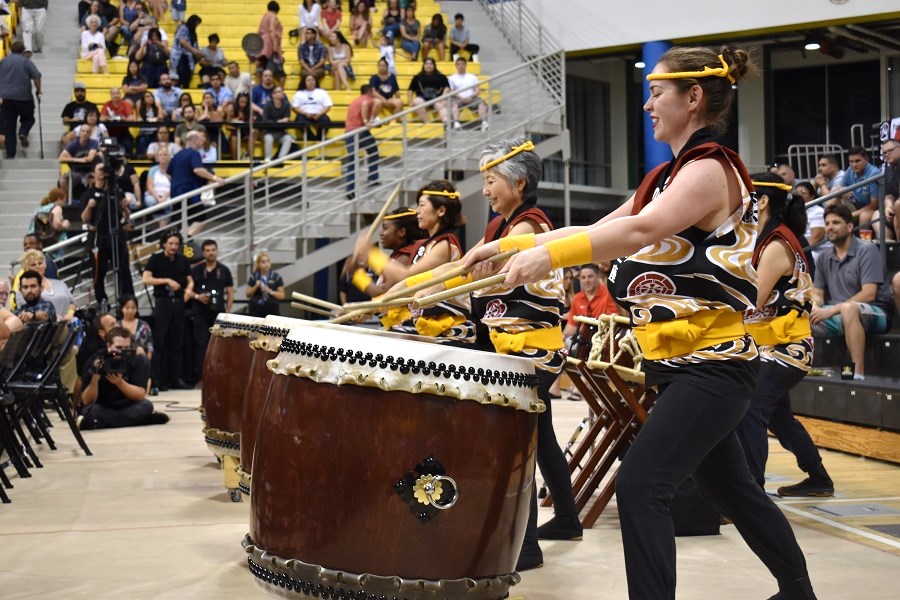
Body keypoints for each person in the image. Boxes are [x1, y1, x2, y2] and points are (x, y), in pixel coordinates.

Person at [463, 47, 817, 599]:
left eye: (657, 92)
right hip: (681, 367)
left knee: (641, 484)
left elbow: (637, 232)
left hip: (714, 367)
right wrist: (497, 249)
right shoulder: (666, 176)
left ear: (694, 97)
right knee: (735, 492)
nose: (647, 104)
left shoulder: (708, 170)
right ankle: (799, 591)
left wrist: (544, 259)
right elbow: (600, 225)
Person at [736, 172, 834, 498]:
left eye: (747, 195)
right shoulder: (767, 237)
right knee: (779, 418)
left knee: (750, 410)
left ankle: (750, 495)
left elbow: (752, 299)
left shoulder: (777, 244)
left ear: (762, 201)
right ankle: (819, 478)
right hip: (771, 344)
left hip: (787, 347)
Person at [359, 180, 476, 345]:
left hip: (450, 330)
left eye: (421, 205)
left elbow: (407, 278)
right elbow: (405, 285)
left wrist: (371, 254)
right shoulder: (429, 245)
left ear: (441, 210)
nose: (417, 211)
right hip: (430, 326)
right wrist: (371, 307)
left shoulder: (444, 245)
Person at [811, 205, 892, 380]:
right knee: (799, 314)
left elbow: (869, 294)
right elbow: (817, 294)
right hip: (840, 313)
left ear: (849, 227)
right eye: (827, 223)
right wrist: (813, 306)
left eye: (835, 223)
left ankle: (857, 374)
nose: (829, 227)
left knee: (848, 309)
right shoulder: (824, 256)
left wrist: (832, 310)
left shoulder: (866, 250)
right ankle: (803, 368)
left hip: (876, 312)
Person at [78, 326, 169, 430]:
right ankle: (142, 420)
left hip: (128, 404)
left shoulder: (138, 360)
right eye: (118, 348)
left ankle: (98, 422)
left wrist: (120, 383)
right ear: (108, 346)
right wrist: (95, 376)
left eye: (127, 348)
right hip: (103, 405)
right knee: (91, 410)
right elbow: (87, 401)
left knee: (146, 406)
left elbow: (139, 395)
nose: (122, 352)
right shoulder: (97, 359)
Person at [142, 231, 193, 391]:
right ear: (164, 243)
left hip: (178, 303)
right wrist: (167, 281)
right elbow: (145, 279)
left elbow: (190, 280)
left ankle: (176, 378)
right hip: (162, 303)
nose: (173, 246)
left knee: (178, 342)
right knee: (160, 342)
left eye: (176, 244)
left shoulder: (182, 260)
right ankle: (158, 379)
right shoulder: (156, 259)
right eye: (170, 243)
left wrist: (188, 291)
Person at [80, 161, 136, 306]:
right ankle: (102, 301)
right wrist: (89, 206)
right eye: (99, 169)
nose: (102, 172)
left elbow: (126, 216)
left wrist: (125, 208)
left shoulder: (116, 192)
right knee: (98, 273)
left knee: (124, 269)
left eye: (104, 170)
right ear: (93, 173)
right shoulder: (89, 193)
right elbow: (85, 219)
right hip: (98, 238)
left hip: (117, 236)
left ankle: (127, 301)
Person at [188, 239, 233, 381]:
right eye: (207, 250)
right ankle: (200, 376)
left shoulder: (224, 270)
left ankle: (217, 375)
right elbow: (187, 291)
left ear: (217, 251)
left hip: (218, 313)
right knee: (200, 344)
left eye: (213, 250)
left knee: (218, 345)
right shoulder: (196, 270)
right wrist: (197, 296)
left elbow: (230, 292)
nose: (211, 253)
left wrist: (227, 312)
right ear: (203, 253)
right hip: (199, 311)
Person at [169, 130, 225, 236]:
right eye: (200, 139)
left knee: (182, 223)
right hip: (189, 193)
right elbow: (198, 170)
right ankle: (186, 238)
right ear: (194, 140)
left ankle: (184, 240)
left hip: (175, 194)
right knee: (201, 218)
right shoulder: (194, 154)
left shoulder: (177, 155)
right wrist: (215, 177)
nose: (202, 142)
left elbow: (169, 174)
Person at [0, 41, 42, 159]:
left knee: (9, 127)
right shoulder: (26, 62)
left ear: (11, 50)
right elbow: (37, 76)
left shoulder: (2, 61)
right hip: (24, 98)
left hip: (6, 99)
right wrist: (38, 90)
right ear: (23, 51)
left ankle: (10, 154)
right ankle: (23, 132)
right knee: (28, 118)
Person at [828, 146, 880, 231]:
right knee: (836, 196)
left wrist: (851, 214)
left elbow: (873, 205)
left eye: (857, 161)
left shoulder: (874, 174)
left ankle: (864, 243)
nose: (854, 165)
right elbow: (840, 188)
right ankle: (829, 218)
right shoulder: (850, 170)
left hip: (876, 209)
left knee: (864, 216)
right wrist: (842, 190)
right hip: (857, 206)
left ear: (866, 159)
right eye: (851, 162)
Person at [343, 85, 379, 199]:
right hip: (360, 131)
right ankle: (373, 177)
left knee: (352, 161)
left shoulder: (354, 101)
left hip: (349, 132)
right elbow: (366, 105)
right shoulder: (367, 99)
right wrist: (366, 121)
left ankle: (350, 189)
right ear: (370, 91)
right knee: (373, 151)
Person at [57, 125, 100, 200]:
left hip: (90, 171)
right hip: (76, 172)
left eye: (87, 132)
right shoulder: (74, 143)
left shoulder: (93, 143)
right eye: (83, 131)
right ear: (79, 133)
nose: (85, 133)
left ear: (90, 134)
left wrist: (70, 158)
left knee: (95, 181)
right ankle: (66, 203)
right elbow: (61, 158)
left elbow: (90, 158)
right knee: (63, 180)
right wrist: (77, 160)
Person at [448, 56, 488, 131]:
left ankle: (484, 122)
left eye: (463, 64)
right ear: (456, 66)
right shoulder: (452, 78)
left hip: (471, 98)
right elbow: (451, 91)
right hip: (458, 98)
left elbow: (477, 90)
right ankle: (456, 123)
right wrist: (461, 98)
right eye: (459, 64)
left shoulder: (472, 77)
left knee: (481, 103)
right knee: (453, 104)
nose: (461, 66)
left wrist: (471, 97)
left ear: (465, 65)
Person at [291, 74, 332, 141]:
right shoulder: (299, 93)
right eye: (308, 80)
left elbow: (327, 106)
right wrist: (305, 113)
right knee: (299, 120)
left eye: (313, 80)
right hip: (304, 115)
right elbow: (295, 107)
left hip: (319, 114)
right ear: (304, 82)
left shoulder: (322, 92)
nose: (311, 82)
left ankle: (319, 138)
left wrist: (319, 114)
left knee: (326, 120)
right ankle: (311, 138)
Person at [408, 57, 449, 124]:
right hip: (423, 99)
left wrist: (443, 98)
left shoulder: (441, 76)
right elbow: (410, 90)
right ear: (423, 65)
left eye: (431, 64)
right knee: (416, 101)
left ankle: (446, 124)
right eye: (426, 64)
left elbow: (447, 88)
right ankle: (427, 122)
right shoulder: (417, 77)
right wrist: (409, 102)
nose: (428, 65)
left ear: (434, 65)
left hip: (437, 99)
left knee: (442, 106)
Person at [246, 251, 285, 317]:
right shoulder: (254, 276)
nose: (266, 264)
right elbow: (248, 294)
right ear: (258, 264)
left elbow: (282, 296)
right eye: (263, 262)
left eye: (268, 261)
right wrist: (256, 286)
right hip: (256, 310)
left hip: (272, 310)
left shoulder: (276, 276)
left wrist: (270, 291)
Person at [261, 85, 294, 160]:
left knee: (288, 138)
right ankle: (267, 159)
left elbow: (286, 120)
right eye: (279, 91)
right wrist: (279, 121)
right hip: (269, 131)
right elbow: (265, 121)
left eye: (282, 91)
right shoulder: (267, 105)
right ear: (273, 95)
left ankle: (281, 159)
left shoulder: (286, 105)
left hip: (281, 132)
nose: (282, 93)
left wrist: (280, 122)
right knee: (268, 138)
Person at [100, 87, 135, 156]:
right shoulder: (107, 104)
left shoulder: (125, 104)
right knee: (105, 150)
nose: (116, 95)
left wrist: (124, 119)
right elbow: (101, 118)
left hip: (123, 133)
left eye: (117, 93)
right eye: (113, 93)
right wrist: (108, 118)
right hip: (109, 134)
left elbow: (131, 118)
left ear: (120, 94)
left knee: (128, 145)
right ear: (111, 96)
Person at [171, 14, 202, 88]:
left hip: (188, 58)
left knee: (187, 77)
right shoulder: (183, 28)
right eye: (197, 23)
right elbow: (182, 41)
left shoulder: (193, 33)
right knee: (180, 75)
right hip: (180, 56)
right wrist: (193, 50)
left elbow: (195, 45)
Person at [118, 295, 153, 360]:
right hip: (121, 361)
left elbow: (149, 345)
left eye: (133, 308)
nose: (130, 311)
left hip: (140, 360)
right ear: (121, 308)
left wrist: (147, 362)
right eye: (127, 308)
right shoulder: (117, 325)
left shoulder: (144, 325)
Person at [878, 138, 899, 241]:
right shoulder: (889, 169)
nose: (886, 154)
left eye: (889, 151)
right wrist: (888, 206)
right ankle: (889, 249)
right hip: (896, 206)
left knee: (898, 207)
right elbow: (889, 195)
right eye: (884, 153)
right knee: (876, 216)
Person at [257, 1, 284, 81]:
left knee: (263, 68)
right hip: (269, 44)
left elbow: (258, 32)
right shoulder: (272, 16)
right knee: (273, 70)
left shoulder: (264, 17)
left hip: (262, 45)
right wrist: (275, 46)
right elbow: (272, 30)